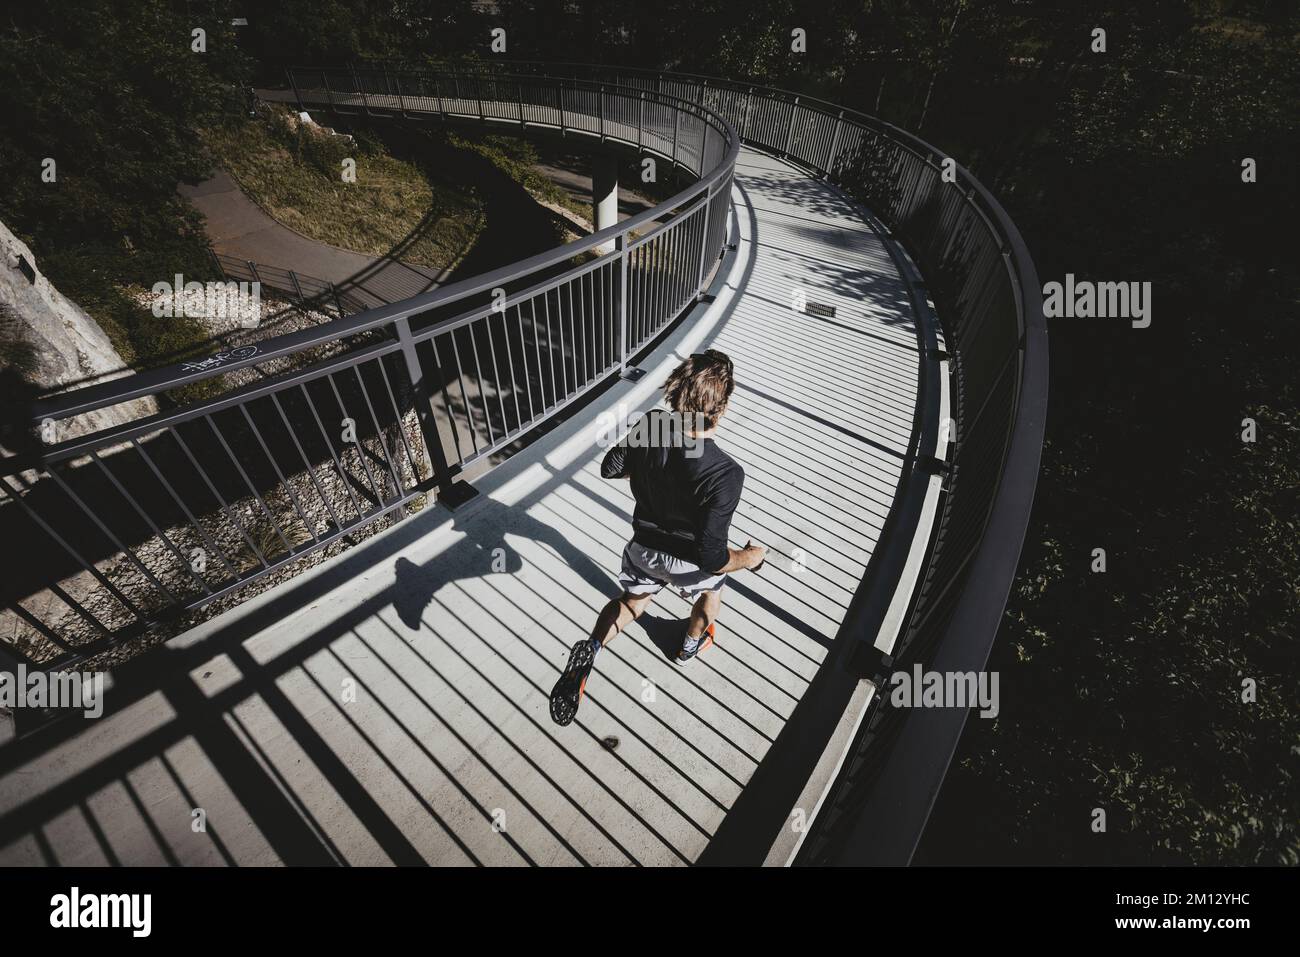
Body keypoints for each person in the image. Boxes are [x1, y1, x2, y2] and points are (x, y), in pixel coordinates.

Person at [549, 350, 766, 726]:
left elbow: (611, 467)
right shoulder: (726, 474)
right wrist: (750, 557)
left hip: (644, 549)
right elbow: (711, 556)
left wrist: (648, 471)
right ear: (723, 407)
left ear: (677, 393)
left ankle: (594, 646)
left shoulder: (653, 424)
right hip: (688, 563)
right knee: (709, 597)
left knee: (632, 603)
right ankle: (688, 647)